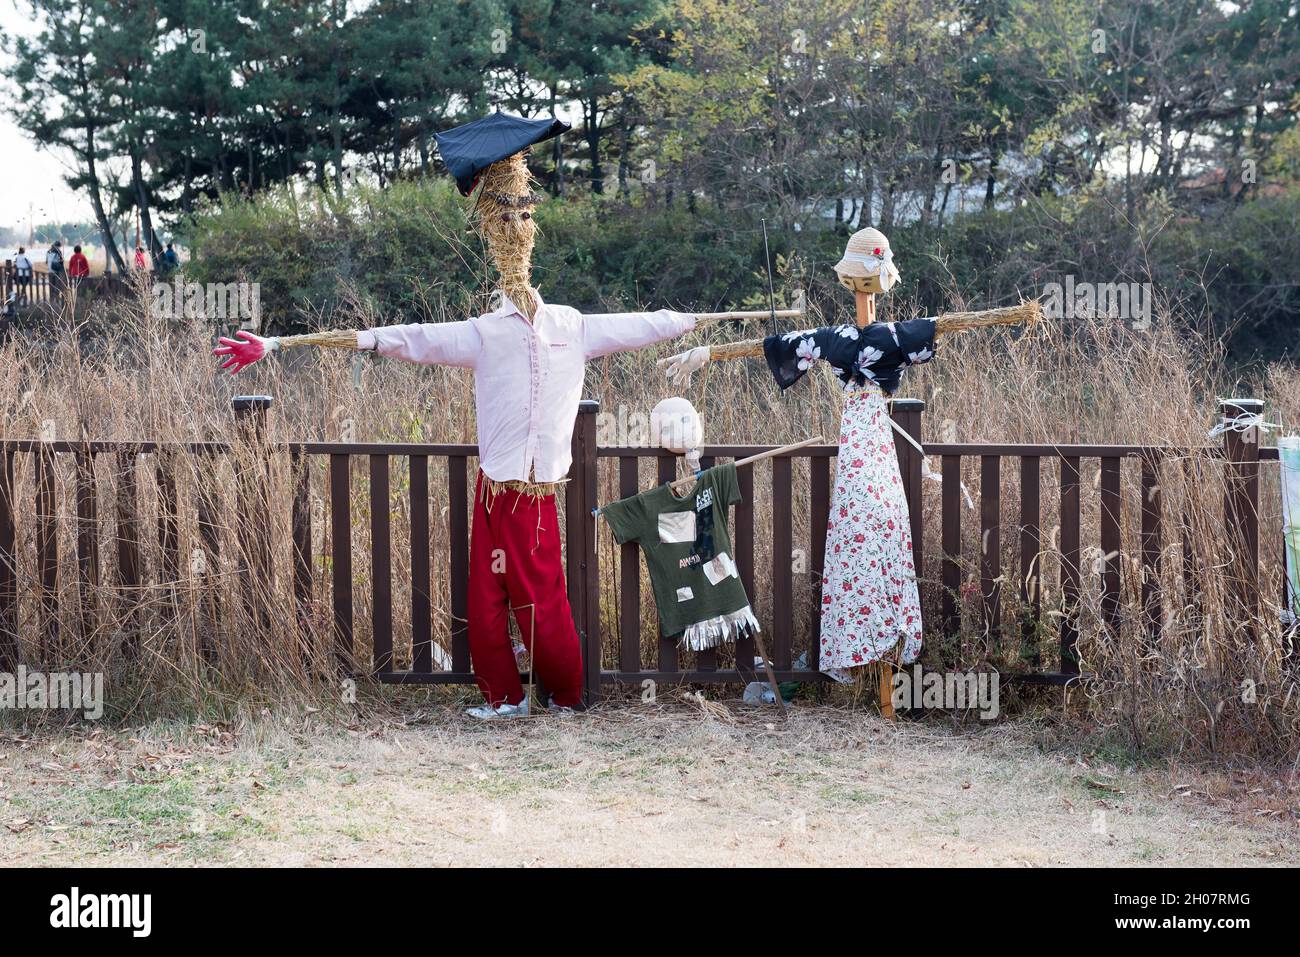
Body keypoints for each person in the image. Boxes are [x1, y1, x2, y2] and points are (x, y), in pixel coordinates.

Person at [214, 113, 699, 720]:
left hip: (537, 490)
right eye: (509, 214)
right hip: (494, 486)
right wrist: (281, 344)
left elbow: (643, 325)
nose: (519, 223)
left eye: (525, 213)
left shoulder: (570, 327)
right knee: (487, 596)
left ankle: (568, 698)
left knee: (542, 600)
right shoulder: (483, 332)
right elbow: (406, 338)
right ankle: (504, 698)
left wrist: (699, 324)